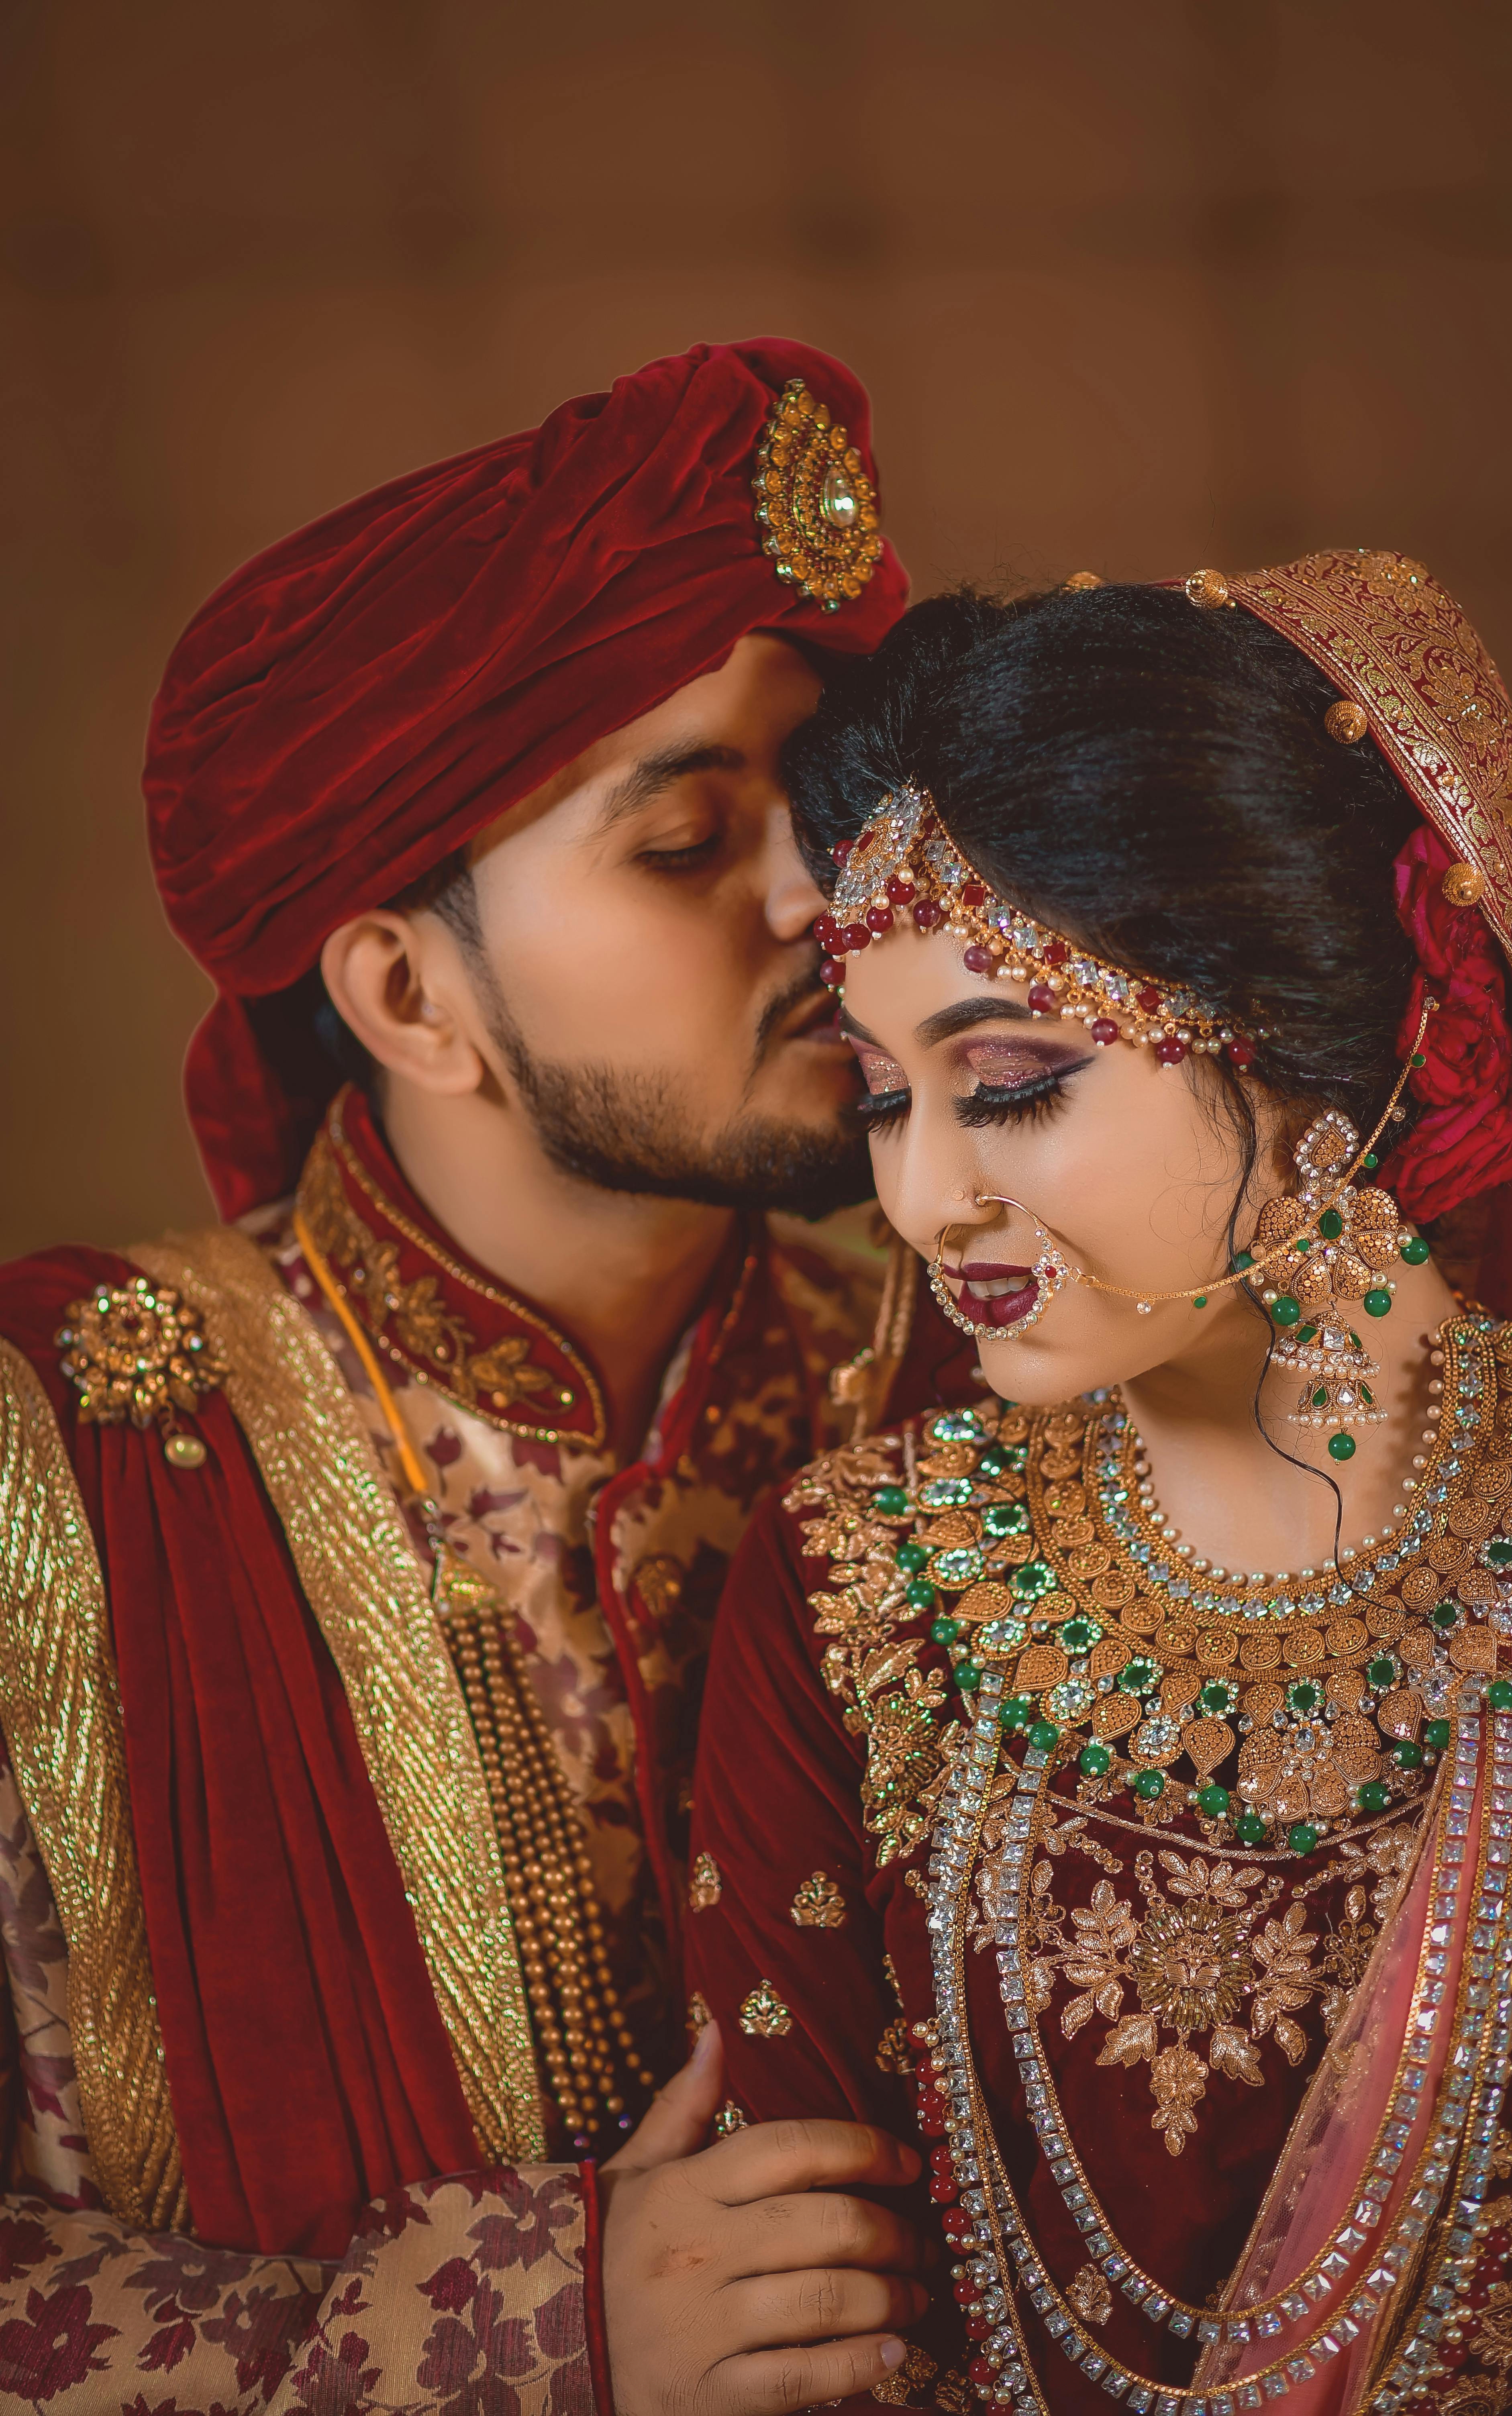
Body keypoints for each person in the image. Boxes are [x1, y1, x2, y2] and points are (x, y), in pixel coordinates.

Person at [0, 341, 968, 2410]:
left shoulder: (975, 1397)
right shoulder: (51, 1460)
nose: (817, 898)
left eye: (819, 813)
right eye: (689, 836)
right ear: (406, 993)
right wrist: (528, 2326)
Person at [686, 552, 1512, 2416]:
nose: (924, 1195)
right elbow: (802, 2321)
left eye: (1010, 1077)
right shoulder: (856, 1583)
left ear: (1318, 1062)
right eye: (882, 1094)